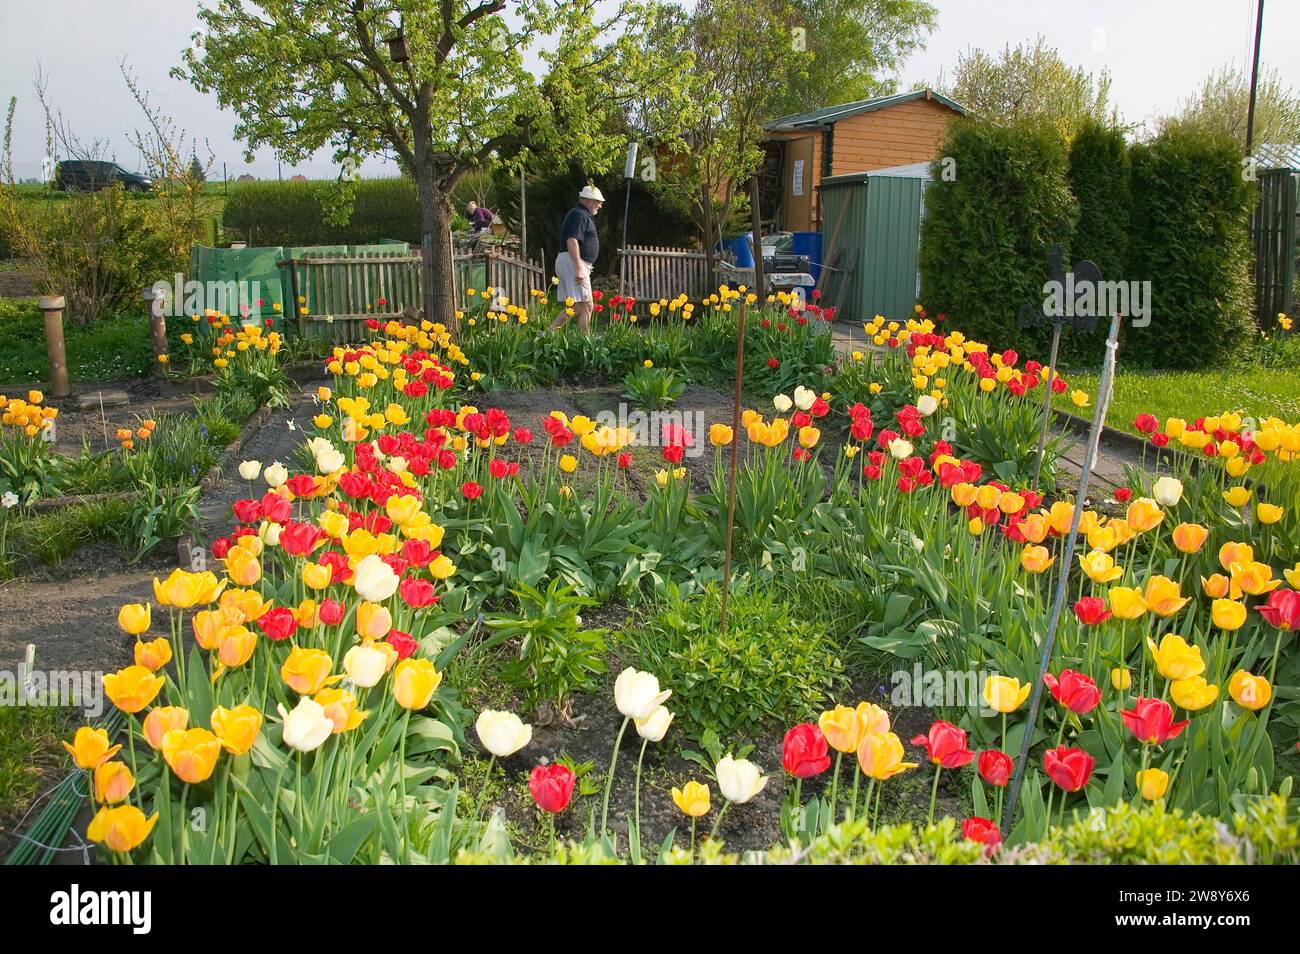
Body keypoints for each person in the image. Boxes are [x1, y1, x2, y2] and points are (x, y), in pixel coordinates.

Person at [552, 185, 604, 332]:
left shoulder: (578, 214)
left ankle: (547, 333)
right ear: (588, 201)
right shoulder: (580, 215)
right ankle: (585, 343)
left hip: (568, 261)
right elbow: (572, 240)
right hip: (573, 262)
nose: (600, 205)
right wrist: (579, 267)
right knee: (587, 305)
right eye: (597, 202)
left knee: (575, 307)